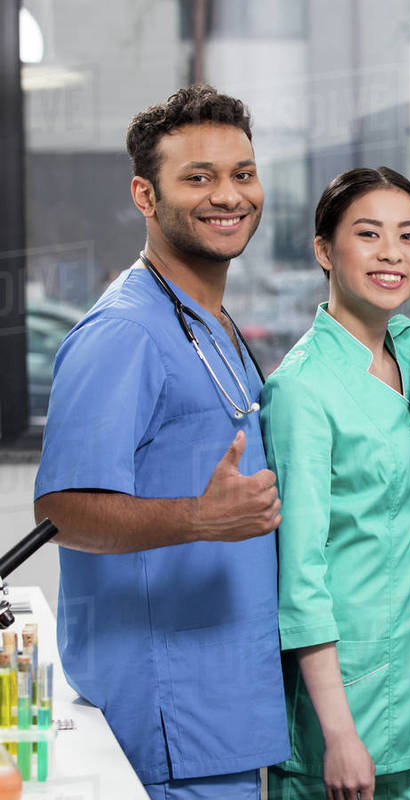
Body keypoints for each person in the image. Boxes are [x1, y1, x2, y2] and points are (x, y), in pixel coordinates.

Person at [33, 85, 288, 799]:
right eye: (198, 177)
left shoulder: (209, 318)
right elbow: (62, 510)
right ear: (145, 196)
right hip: (170, 713)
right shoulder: (124, 331)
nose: (228, 196)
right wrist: (200, 519)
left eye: (242, 173)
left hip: (223, 702)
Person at [261, 168, 410, 800]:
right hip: (347, 710)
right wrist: (339, 735)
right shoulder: (301, 388)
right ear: (324, 251)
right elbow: (301, 576)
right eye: (368, 235)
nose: (392, 254)